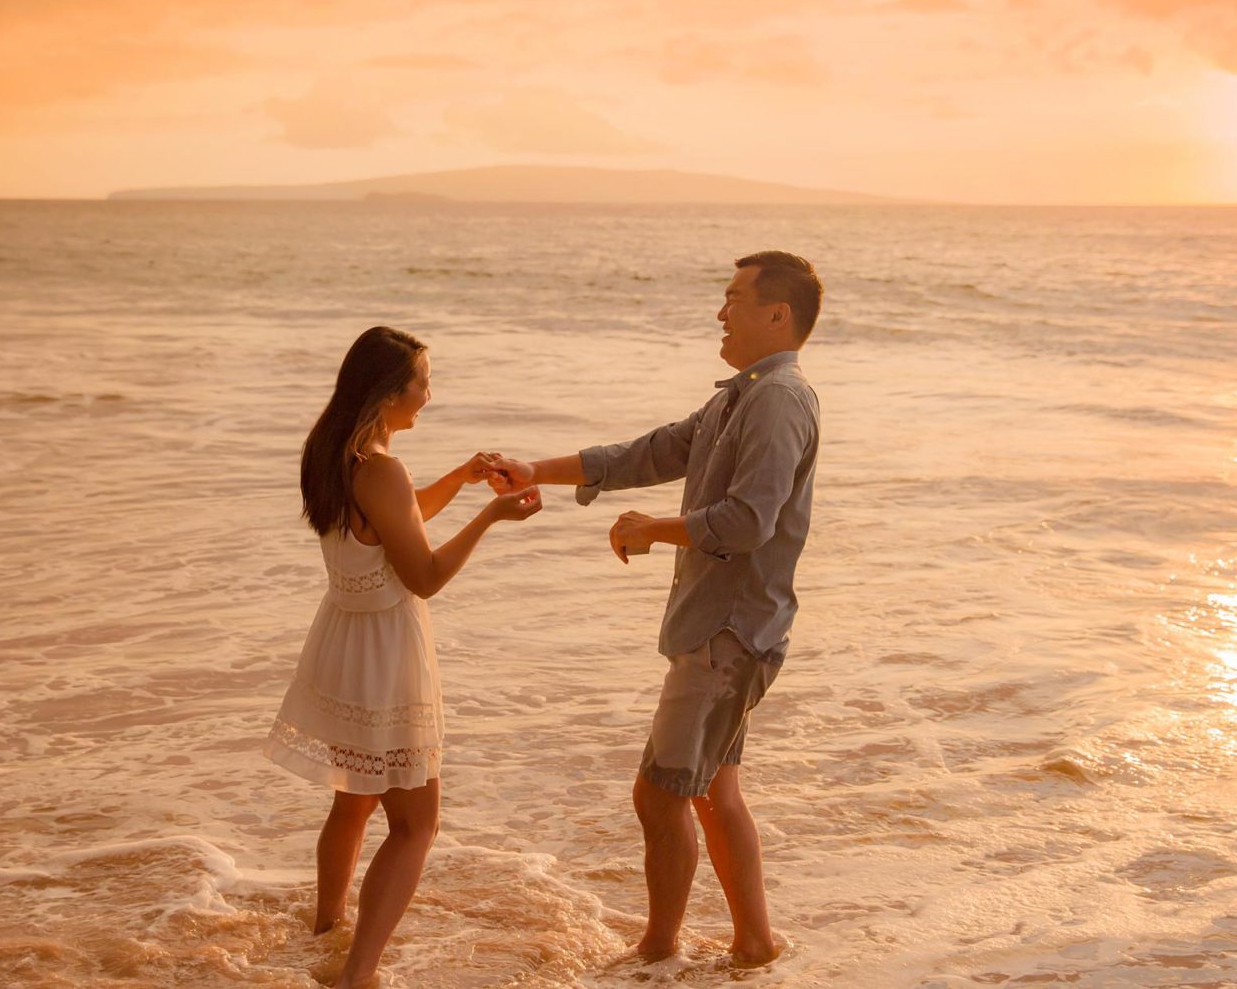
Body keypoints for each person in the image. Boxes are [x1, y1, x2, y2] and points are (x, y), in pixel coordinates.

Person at [490, 251, 822, 966]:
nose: (720, 313)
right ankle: (754, 943)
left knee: (659, 794)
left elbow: (749, 520)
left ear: (777, 315)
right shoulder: (739, 397)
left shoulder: (778, 400)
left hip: (729, 633)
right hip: (722, 627)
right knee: (711, 792)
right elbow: (651, 452)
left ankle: (657, 953)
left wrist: (652, 529)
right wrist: (537, 470)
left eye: (734, 299)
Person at [264, 325, 542, 989]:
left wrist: (461, 479)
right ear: (389, 392)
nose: (429, 394)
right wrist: (490, 517)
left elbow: (396, 518)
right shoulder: (382, 467)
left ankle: (327, 932)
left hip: (342, 645)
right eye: (423, 381)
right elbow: (423, 575)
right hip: (385, 655)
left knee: (354, 801)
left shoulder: (335, 454)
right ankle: (357, 974)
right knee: (417, 825)